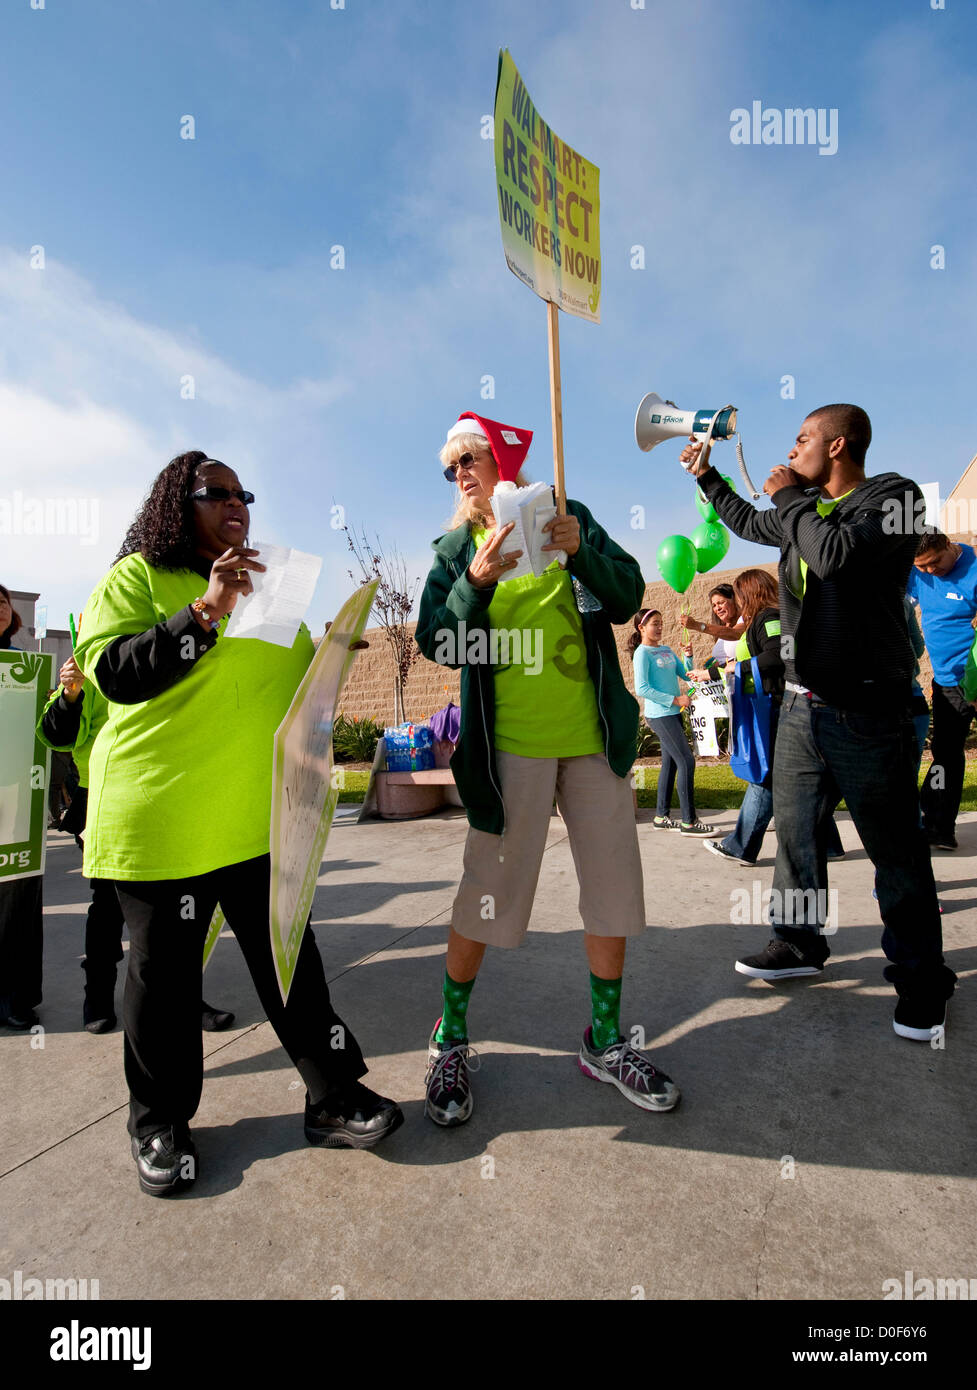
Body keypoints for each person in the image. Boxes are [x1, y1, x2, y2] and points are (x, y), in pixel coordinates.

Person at [75, 451, 402, 1195]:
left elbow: (290, 695)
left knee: (293, 965)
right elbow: (117, 676)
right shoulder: (136, 578)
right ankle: (158, 1123)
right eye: (214, 494)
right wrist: (203, 612)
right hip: (163, 824)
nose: (236, 506)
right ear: (173, 504)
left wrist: (334, 653)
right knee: (160, 986)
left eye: (243, 494)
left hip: (256, 825)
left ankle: (332, 1095)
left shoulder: (269, 592)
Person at [415, 411, 680, 1126]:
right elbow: (437, 640)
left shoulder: (569, 516)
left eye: (470, 457)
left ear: (503, 457)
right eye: (451, 466)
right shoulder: (452, 549)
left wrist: (581, 552)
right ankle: (450, 1035)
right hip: (510, 751)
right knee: (487, 892)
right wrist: (472, 581)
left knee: (612, 890)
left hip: (590, 741)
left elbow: (627, 596)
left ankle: (603, 1041)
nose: (460, 473)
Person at [682, 404, 956, 1041]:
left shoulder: (895, 498)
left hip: (869, 710)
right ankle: (799, 943)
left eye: (803, 438)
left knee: (896, 851)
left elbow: (834, 556)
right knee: (796, 832)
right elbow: (754, 520)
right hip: (803, 708)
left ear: (837, 446)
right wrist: (707, 477)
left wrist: (789, 498)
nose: (792, 447)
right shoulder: (802, 511)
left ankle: (921, 981)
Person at [38, 652, 235, 1035]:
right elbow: (58, 734)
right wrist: (71, 692)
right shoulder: (96, 664)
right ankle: (96, 994)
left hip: (173, 795)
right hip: (107, 799)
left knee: (184, 906)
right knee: (110, 905)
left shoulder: (171, 650)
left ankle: (185, 998)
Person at [689, 570, 783, 865]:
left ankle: (740, 846)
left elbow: (777, 655)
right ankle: (826, 844)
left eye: (738, 594)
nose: (737, 601)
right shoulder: (761, 619)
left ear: (751, 593)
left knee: (763, 774)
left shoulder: (769, 618)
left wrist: (738, 669)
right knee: (785, 776)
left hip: (774, 706)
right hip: (769, 704)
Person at [907, 527, 977, 850]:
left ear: (948, 545)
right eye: (922, 566)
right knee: (945, 754)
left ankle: (937, 821)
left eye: (934, 563)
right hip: (946, 682)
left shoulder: (973, 570)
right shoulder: (917, 572)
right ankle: (937, 821)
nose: (929, 572)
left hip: (972, 679)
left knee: (947, 757)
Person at [0, 584, 44, 1029]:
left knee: (16, 898)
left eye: (2, 602)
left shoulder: (25, 667)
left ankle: (15, 997)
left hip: (15, 797)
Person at [630, 609, 715, 835]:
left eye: (661, 623)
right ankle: (689, 821)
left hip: (673, 713)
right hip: (659, 714)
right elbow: (642, 688)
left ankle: (661, 816)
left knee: (671, 764)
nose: (659, 628)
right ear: (642, 627)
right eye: (654, 624)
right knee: (686, 761)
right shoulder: (642, 653)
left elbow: (688, 676)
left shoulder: (666, 651)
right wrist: (675, 699)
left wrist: (688, 657)